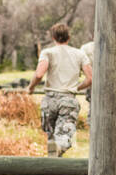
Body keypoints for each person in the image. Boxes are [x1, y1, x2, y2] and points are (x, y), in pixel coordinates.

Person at [28, 22, 92, 156]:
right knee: (64, 137)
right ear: (69, 37)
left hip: (49, 100)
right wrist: (76, 88)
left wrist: (31, 87)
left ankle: (54, 168)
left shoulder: (48, 53)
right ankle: (58, 154)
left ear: (53, 38)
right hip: (68, 100)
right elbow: (90, 78)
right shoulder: (79, 54)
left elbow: (39, 74)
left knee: (51, 137)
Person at [78, 39, 94, 123]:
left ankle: (91, 121)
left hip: (91, 80)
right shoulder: (86, 48)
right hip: (92, 80)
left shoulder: (85, 48)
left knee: (93, 103)